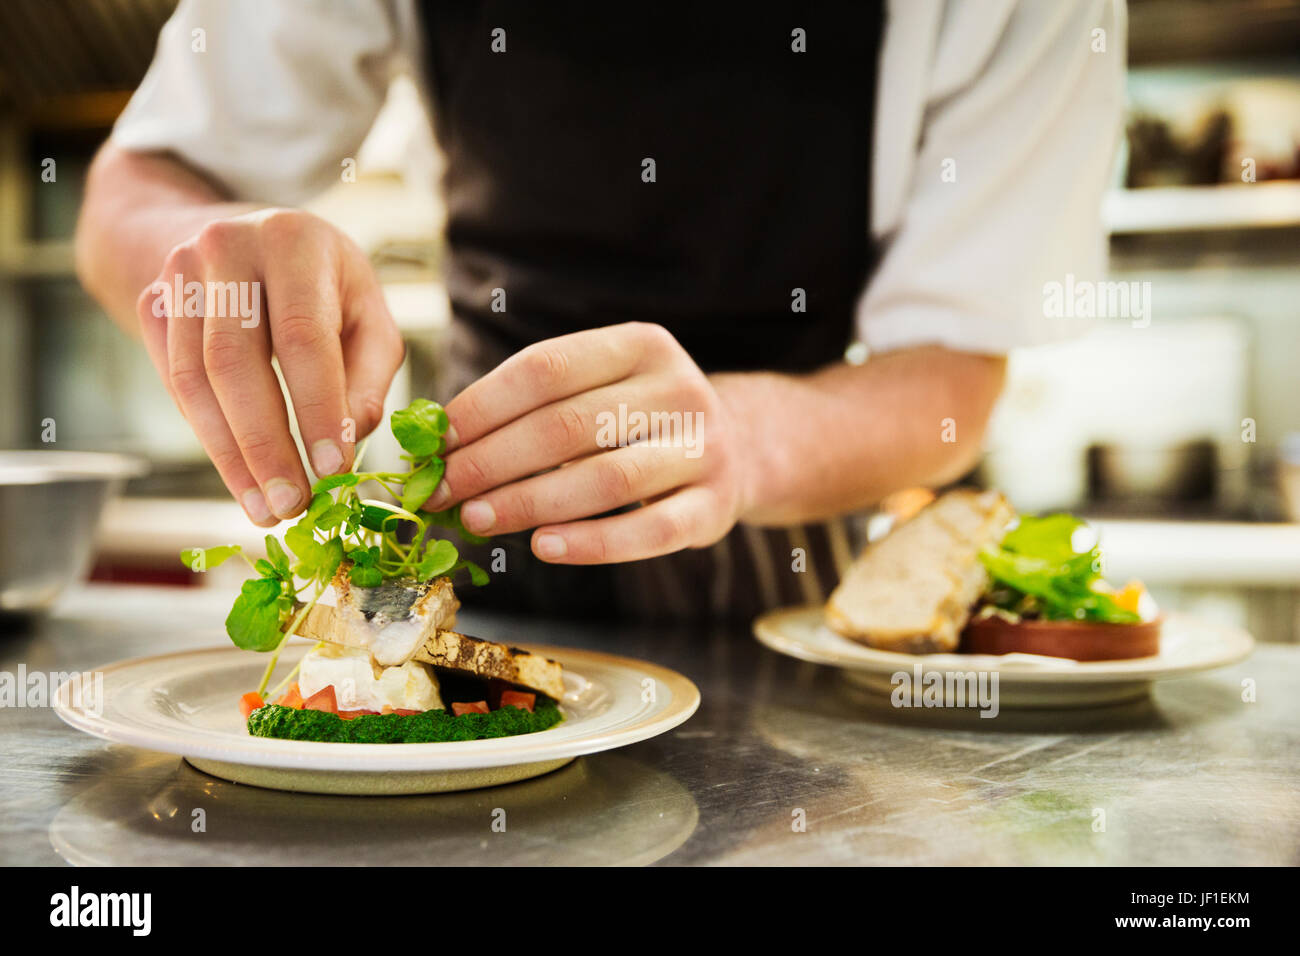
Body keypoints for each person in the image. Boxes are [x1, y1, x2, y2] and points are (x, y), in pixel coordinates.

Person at [76, 1, 1125, 620]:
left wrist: (741, 442)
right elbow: (132, 192)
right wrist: (200, 257)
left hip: (794, 571)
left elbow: (949, 375)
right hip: (480, 548)